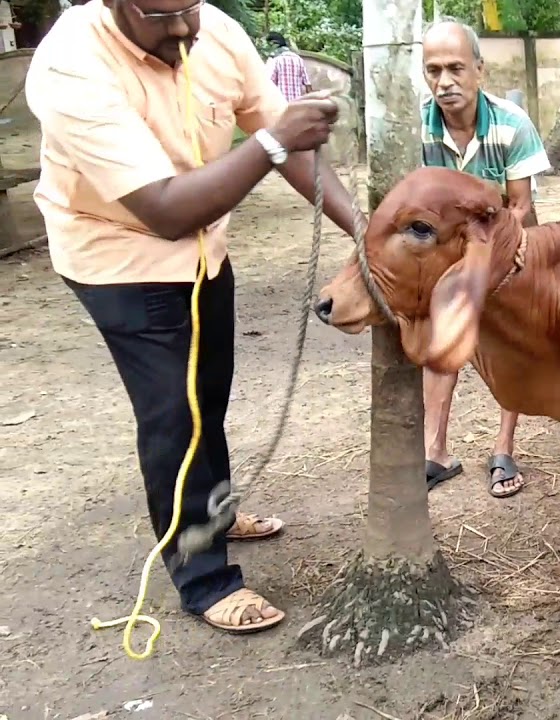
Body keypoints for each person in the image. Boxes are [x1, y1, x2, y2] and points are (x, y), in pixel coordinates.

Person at [26, 0, 362, 635]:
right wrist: (269, 143)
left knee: (208, 392)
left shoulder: (218, 31)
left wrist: (362, 230)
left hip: (207, 250)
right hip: (122, 257)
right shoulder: (71, 65)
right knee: (173, 416)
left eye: (190, 9)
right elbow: (166, 210)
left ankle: (214, 509)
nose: (183, 29)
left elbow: (288, 142)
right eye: (162, 16)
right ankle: (204, 577)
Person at [418, 18, 551, 499]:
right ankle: (436, 450)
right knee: (442, 343)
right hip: (449, 251)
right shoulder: (417, 127)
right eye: (433, 70)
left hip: (508, 251)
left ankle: (504, 448)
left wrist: (488, 266)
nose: (445, 81)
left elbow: (520, 207)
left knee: (505, 343)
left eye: (456, 68)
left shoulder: (512, 124)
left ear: (480, 70)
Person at [264, 30, 311, 101]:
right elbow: (307, 85)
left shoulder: (275, 60)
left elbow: (268, 83)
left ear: (274, 44)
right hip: (296, 104)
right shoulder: (298, 59)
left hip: (281, 104)